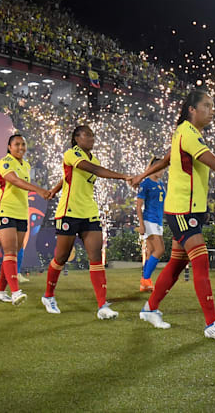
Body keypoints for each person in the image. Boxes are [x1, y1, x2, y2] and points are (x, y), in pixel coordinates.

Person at [134, 90, 215, 340]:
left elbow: (167, 159)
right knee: (201, 260)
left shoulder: (187, 133)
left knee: (176, 263)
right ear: (192, 109)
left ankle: (150, 308)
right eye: (206, 105)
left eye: (213, 105)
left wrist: (142, 175)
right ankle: (211, 323)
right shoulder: (187, 132)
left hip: (191, 209)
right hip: (182, 209)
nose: (211, 110)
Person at [42, 125, 132, 319]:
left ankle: (102, 306)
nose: (92, 138)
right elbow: (93, 170)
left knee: (96, 257)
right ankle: (48, 296)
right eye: (87, 135)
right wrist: (123, 176)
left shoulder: (94, 158)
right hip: (69, 212)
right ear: (76, 138)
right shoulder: (71, 154)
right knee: (61, 257)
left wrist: (54, 190)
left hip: (89, 212)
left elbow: (67, 177)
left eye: (93, 135)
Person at [0, 134, 53, 305]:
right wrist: (39, 190)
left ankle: (0, 291)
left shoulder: (25, 165)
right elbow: (14, 180)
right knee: (10, 251)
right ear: (9, 147)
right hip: (5, 210)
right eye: (17, 144)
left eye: (23, 144)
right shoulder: (4, 162)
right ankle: (15, 292)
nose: (21, 147)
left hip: (21, 212)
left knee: (13, 253)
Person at [136, 157, 166, 292]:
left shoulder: (160, 184)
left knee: (150, 251)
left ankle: (144, 283)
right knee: (160, 250)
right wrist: (141, 224)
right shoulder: (146, 183)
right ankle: (146, 279)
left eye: (164, 168)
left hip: (158, 221)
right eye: (160, 168)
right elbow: (138, 206)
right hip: (149, 220)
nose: (162, 171)